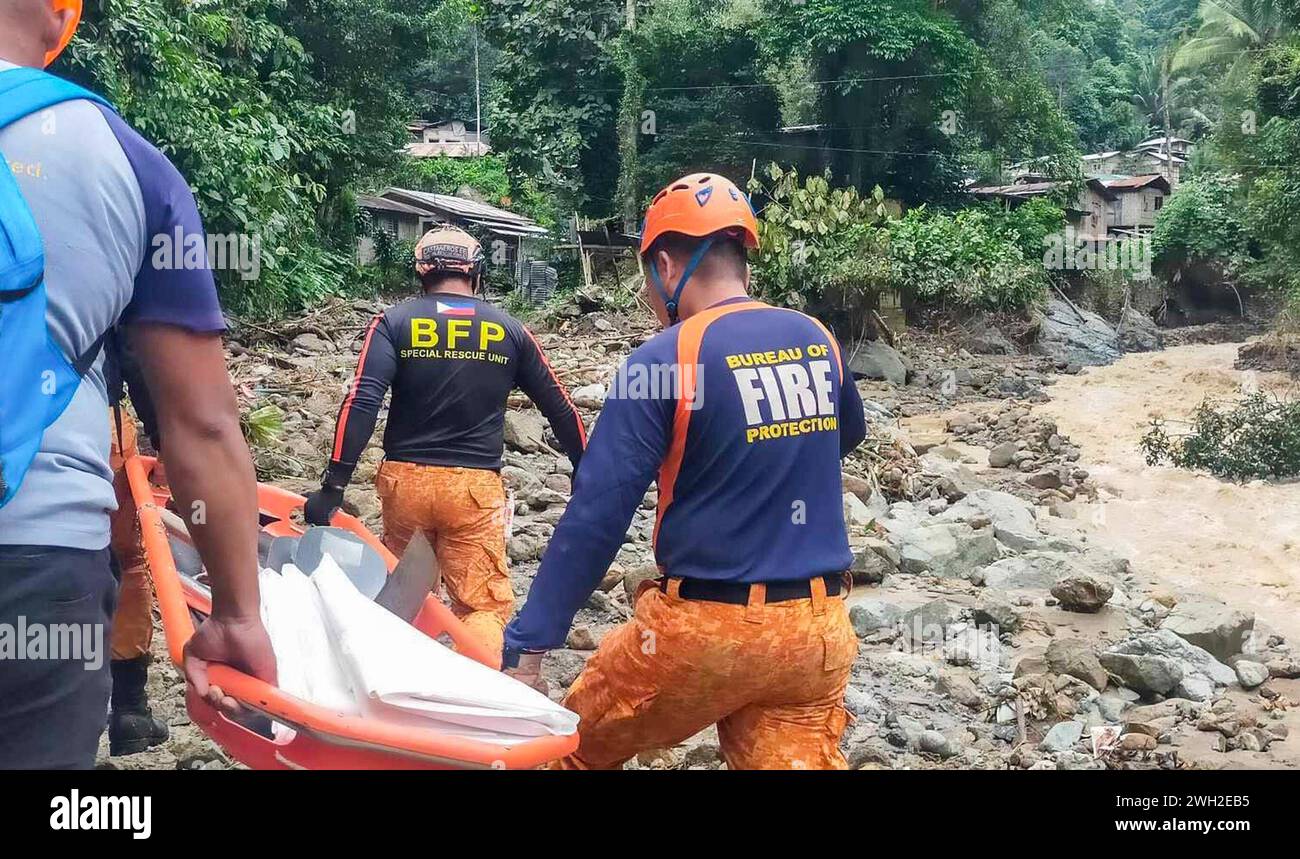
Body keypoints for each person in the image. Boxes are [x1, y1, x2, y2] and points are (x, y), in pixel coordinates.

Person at [502, 173, 868, 770]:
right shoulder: (816, 337)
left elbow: (598, 513)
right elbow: (843, 434)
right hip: (816, 636)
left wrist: (530, 641)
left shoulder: (665, 359)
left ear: (666, 267)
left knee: (569, 746)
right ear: (741, 257)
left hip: (702, 635)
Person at [0, 0, 274, 769]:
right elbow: (204, 428)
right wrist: (236, 614)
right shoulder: (128, 161)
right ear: (62, 18)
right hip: (39, 562)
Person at [304, 226, 586, 663]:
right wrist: (586, 472)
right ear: (476, 272)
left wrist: (334, 485)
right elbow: (562, 407)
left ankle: (393, 692)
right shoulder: (509, 330)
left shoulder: (393, 322)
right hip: (473, 490)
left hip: (406, 485)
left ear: (422, 272)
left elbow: (362, 399)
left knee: (405, 593)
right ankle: (474, 700)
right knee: (482, 605)